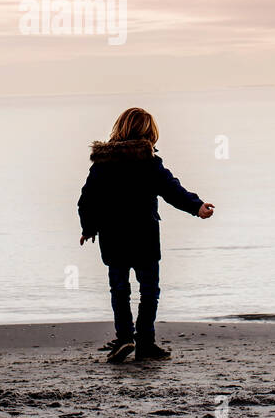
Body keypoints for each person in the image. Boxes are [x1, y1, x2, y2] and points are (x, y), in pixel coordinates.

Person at [77, 107, 214, 363]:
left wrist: (88, 228)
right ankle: (146, 342)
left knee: (119, 289)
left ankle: (125, 338)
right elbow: (172, 190)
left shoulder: (102, 163)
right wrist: (197, 207)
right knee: (149, 290)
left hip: (113, 236)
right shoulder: (149, 163)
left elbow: (87, 200)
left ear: (119, 129)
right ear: (150, 133)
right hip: (144, 235)